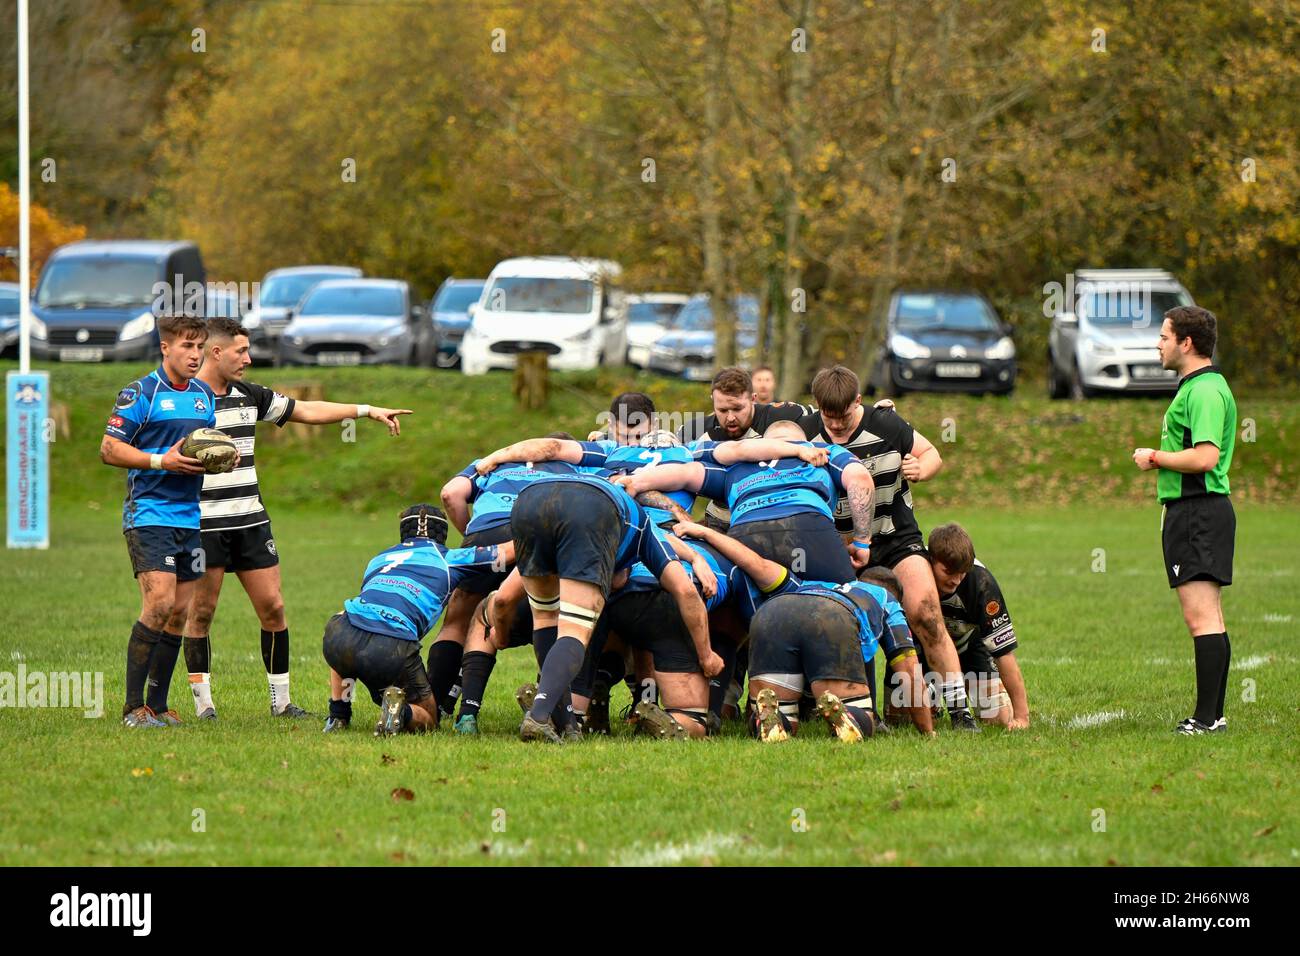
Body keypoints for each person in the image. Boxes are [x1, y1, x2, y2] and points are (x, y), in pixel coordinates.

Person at [185, 317, 412, 720]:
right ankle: (205, 706)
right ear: (216, 352)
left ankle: (282, 703)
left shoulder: (248, 395)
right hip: (204, 523)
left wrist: (365, 410)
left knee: (273, 607)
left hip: (251, 521)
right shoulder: (184, 399)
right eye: (241, 351)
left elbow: (305, 409)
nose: (248, 359)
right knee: (201, 613)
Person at [800, 365, 980, 732]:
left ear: (859, 402)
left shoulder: (886, 424)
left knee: (926, 612)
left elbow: (932, 453)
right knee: (840, 623)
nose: (835, 426)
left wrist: (921, 468)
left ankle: (960, 711)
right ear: (816, 406)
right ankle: (859, 711)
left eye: (844, 416)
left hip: (895, 538)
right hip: (838, 546)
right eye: (828, 417)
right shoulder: (804, 435)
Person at [496, 470, 720, 743]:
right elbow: (685, 590)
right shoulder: (643, 529)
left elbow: (502, 598)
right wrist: (707, 655)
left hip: (528, 500)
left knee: (546, 620)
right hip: (591, 508)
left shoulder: (600, 514)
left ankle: (567, 724)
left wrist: (499, 631)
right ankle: (539, 716)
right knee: (574, 630)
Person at [673, 519, 934, 738]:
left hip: (773, 614)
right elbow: (909, 672)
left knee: (781, 707)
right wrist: (927, 731)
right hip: (831, 617)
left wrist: (706, 532)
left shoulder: (807, 583)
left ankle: (772, 717)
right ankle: (850, 714)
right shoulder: (884, 598)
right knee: (861, 717)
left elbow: (755, 563)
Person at [100, 314, 218, 727]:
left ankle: (160, 705)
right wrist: (159, 461)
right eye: (187, 346)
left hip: (190, 518)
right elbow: (110, 449)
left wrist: (221, 458)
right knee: (159, 604)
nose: (195, 354)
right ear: (165, 348)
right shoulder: (141, 393)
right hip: (149, 514)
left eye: (200, 347)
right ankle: (133, 708)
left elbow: (204, 449)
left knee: (180, 613)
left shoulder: (205, 395)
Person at [1132, 306, 1237, 735]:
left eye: (1164, 336)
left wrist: (1154, 458)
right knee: (1209, 615)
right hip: (1195, 511)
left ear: (1186, 343)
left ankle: (1206, 718)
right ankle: (1214, 714)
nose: (1158, 343)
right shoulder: (1197, 386)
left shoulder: (1206, 390)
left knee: (1202, 618)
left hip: (1198, 511)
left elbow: (1206, 457)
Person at [321, 504, 509, 735]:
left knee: (348, 620)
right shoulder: (449, 558)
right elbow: (507, 553)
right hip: (391, 643)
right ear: (442, 534)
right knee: (429, 717)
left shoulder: (379, 558)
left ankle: (338, 715)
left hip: (338, 634)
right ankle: (401, 713)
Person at [620, 422, 875, 584]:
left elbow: (685, 472)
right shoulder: (821, 450)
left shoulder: (737, 465)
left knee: (734, 622)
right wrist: (862, 541)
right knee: (846, 602)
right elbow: (860, 479)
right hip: (809, 529)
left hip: (747, 536)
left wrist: (635, 483)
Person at [676, 366, 809, 530]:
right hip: (721, 518)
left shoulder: (784, 415)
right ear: (713, 400)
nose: (730, 418)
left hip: (779, 514)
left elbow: (828, 422)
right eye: (723, 410)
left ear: (753, 398)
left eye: (738, 409)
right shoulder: (694, 431)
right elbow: (672, 471)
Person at [926, 523, 1029, 729]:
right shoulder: (916, 575)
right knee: (900, 717)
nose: (956, 580)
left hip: (968, 647)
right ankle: (932, 693)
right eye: (948, 572)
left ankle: (963, 685)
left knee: (998, 719)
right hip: (925, 652)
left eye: (962, 573)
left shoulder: (981, 583)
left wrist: (1022, 716)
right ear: (931, 561)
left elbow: (1004, 653)